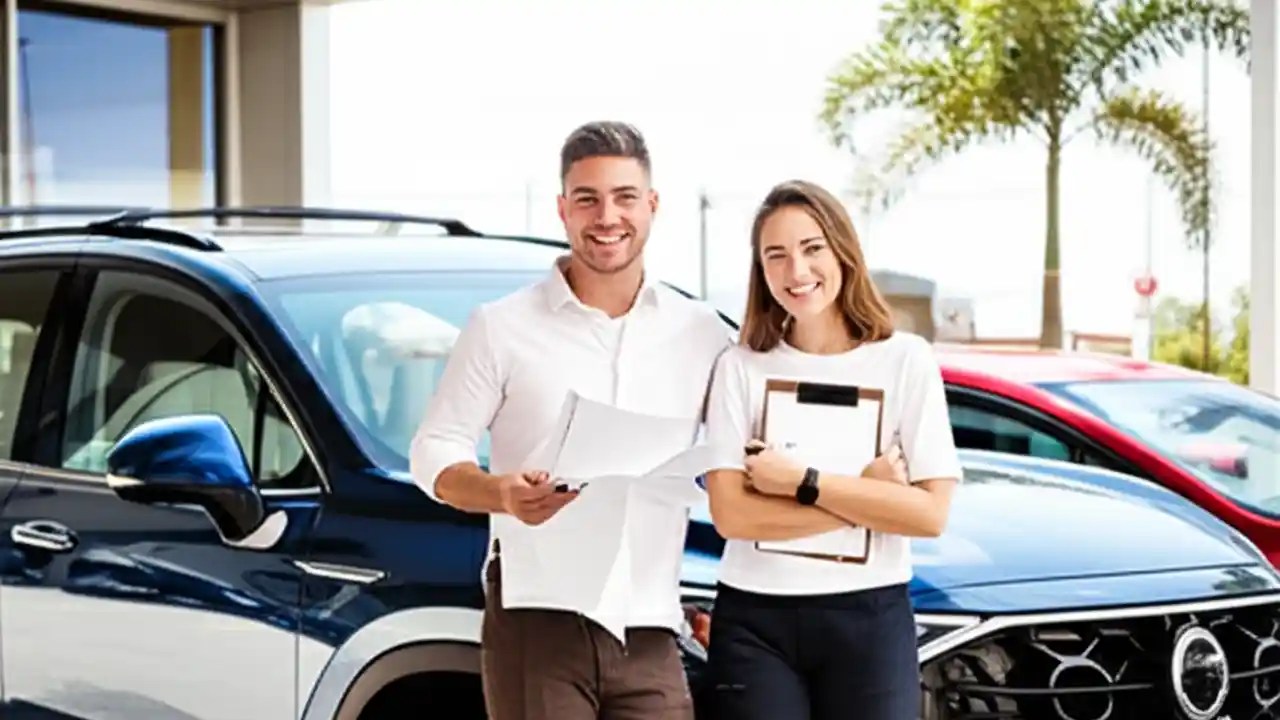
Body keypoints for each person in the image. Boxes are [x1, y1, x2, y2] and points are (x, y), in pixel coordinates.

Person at [410, 121, 731, 720]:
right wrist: (498, 493)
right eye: (587, 199)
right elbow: (433, 449)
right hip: (538, 620)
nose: (606, 216)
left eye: (624, 197)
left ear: (653, 206)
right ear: (563, 210)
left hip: (651, 627)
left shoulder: (704, 333)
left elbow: (740, 456)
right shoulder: (501, 326)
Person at [701, 179, 962, 720]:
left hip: (870, 615)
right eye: (777, 255)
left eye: (812, 248)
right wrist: (869, 495)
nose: (796, 271)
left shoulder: (906, 361)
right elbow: (731, 515)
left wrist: (803, 483)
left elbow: (929, 513)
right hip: (755, 621)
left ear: (843, 250)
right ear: (761, 270)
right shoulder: (739, 367)